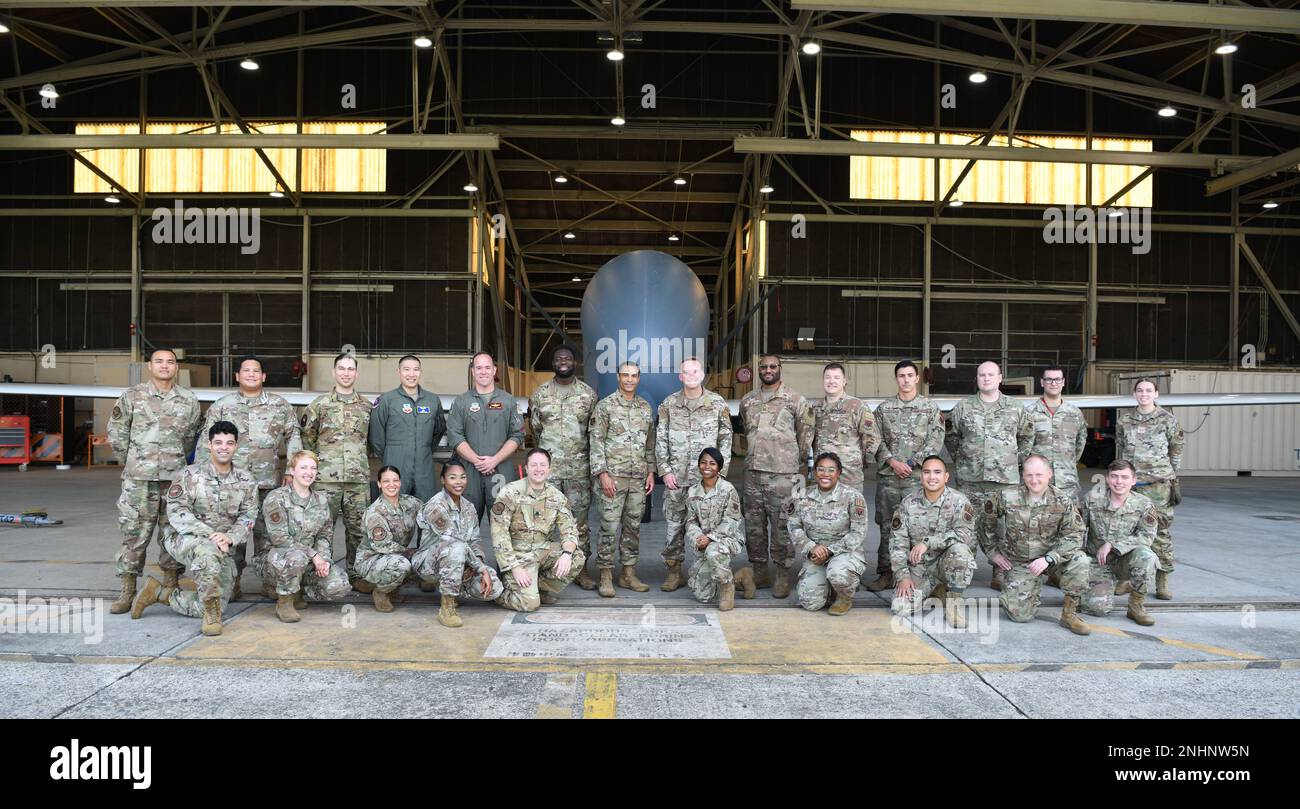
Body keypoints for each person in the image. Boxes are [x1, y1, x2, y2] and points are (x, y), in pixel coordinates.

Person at [130, 420, 258, 636]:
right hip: (183, 538)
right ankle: (211, 617)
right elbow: (178, 513)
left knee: (217, 601)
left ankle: (160, 593)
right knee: (208, 554)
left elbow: (248, 516)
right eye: (218, 442)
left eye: (229, 443)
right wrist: (212, 535)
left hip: (222, 544)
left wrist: (229, 538)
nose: (223, 447)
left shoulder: (246, 480)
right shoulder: (189, 475)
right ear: (209, 445)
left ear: (236, 446)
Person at [195, 353, 300, 599]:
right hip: (233, 487)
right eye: (246, 371)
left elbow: (293, 436)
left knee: (269, 538)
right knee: (233, 538)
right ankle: (233, 581)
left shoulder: (279, 405)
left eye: (256, 371)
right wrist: (206, 477)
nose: (251, 374)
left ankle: (270, 581)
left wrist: (291, 470)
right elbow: (205, 443)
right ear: (237, 376)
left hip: (268, 485)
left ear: (263, 376)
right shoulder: (222, 406)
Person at [107, 348, 202, 614]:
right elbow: (117, 433)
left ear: (176, 368)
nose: (165, 366)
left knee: (172, 532)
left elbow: (190, 438)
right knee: (134, 534)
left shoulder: (188, 400)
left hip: (174, 479)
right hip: (139, 479)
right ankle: (127, 590)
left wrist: (175, 462)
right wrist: (132, 462)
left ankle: (171, 584)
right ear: (149, 366)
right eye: (159, 361)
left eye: (170, 362)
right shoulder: (132, 396)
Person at [944, 361, 1034, 591]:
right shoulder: (963, 408)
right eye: (982, 375)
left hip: (1004, 481)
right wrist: (964, 460)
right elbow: (952, 437)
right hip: (970, 480)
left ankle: (1000, 572)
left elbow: (1026, 437)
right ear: (977, 379)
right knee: (966, 526)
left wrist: (1015, 461)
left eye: (990, 374)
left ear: (1000, 378)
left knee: (1003, 527)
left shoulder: (1016, 408)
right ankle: (963, 570)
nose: (986, 378)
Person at [982, 455, 1092, 635]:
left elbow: (1074, 535)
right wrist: (992, 552)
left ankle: (1069, 614)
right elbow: (985, 523)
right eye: (1029, 475)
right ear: (1022, 476)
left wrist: (1050, 558)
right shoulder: (1006, 497)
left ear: (1050, 474)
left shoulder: (1062, 501)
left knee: (1081, 560)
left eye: (1039, 475)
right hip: (1021, 562)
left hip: (1053, 559)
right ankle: (1030, 589)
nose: (1034, 480)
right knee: (1019, 616)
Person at [738, 353, 814, 598]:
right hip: (752, 474)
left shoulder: (795, 400)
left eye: (773, 366)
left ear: (780, 368)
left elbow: (805, 437)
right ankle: (759, 570)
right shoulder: (748, 400)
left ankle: (782, 573)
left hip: (783, 475)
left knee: (783, 525)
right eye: (764, 367)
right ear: (758, 370)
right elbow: (744, 430)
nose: (768, 370)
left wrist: (795, 465)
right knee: (754, 526)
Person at [656, 357, 733, 592]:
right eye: (686, 372)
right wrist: (665, 471)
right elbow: (661, 439)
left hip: (707, 480)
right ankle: (673, 571)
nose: (691, 375)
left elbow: (726, 439)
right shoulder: (668, 404)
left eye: (695, 371)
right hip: (677, 479)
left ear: (702, 374)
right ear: (680, 376)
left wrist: (720, 474)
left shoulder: (717, 403)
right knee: (674, 526)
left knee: (710, 526)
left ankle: (707, 569)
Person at [868, 360, 944, 592]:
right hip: (889, 478)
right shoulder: (884, 409)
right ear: (896, 379)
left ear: (917, 378)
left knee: (918, 527)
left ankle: (916, 573)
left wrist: (911, 463)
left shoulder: (930, 409)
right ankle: (885, 573)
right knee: (887, 527)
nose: (906, 380)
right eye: (901, 376)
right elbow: (875, 439)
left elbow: (935, 440)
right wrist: (893, 462)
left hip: (917, 479)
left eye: (910, 375)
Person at [300, 352, 372, 594]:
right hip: (325, 481)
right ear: (334, 372)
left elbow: (371, 440)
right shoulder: (319, 405)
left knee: (359, 531)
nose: (346, 372)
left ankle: (357, 574)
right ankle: (320, 574)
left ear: (357, 374)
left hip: (357, 480)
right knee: (321, 529)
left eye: (350, 369)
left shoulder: (366, 406)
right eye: (341, 368)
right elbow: (307, 439)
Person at [528, 346, 599, 590]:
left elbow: (594, 433)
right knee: (544, 521)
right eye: (559, 359)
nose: (563, 362)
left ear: (574, 363)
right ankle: (543, 570)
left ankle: (580, 569)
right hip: (549, 472)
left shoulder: (588, 395)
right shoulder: (540, 394)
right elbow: (537, 430)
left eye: (567, 358)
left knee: (579, 522)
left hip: (579, 470)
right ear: (553, 363)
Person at [259, 450, 353, 622]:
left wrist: (323, 560)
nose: (308, 473)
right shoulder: (276, 498)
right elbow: (280, 539)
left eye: (313, 468)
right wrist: (314, 555)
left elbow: (324, 535)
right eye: (303, 467)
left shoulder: (321, 501)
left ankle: (299, 590)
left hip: (307, 562)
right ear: (292, 470)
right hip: (277, 560)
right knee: (297, 557)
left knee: (339, 585)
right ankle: (284, 600)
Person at [588, 362, 656, 598]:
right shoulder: (605, 407)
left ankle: (628, 573)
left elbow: (650, 443)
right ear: (618, 377)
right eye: (625, 375)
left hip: (637, 478)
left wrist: (650, 471)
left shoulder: (645, 408)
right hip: (612, 478)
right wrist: (602, 474)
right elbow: (596, 443)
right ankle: (605, 575)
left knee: (633, 527)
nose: (629, 379)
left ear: (639, 378)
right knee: (608, 527)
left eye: (634, 375)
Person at [491, 448, 584, 612]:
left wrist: (567, 554)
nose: (538, 469)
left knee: (576, 557)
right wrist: (515, 567)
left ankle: (538, 589)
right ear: (526, 468)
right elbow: (499, 534)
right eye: (534, 465)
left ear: (549, 469)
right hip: (519, 555)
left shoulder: (557, 497)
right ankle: (498, 593)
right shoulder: (510, 492)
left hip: (542, 551)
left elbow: (569, 529)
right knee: (530, 604)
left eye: (543, 465)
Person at [1115, 377, 1184, 600]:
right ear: (1134, 394)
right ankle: (1126, 579)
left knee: (1160, 532)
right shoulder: (1124, 420)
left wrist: (1169, 475)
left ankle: (1162, 580)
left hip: (1158, 486)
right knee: (1126, 530)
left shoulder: (1167, 420)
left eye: (1148, 390)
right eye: (1139, 390)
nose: (1143, 394)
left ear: (1156, 394)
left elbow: (1176, 449)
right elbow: (1120, 449)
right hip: (1130, 486)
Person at [888, 456, 977, 628]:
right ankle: (935, 591)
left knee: (960, 550)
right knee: (900, 607)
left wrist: (928, 542)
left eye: (937, 472)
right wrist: (903, 576)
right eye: (927, 472)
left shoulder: (959, 501)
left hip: (946, 564)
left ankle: (953, 606)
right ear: (920, 477)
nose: (932, 477)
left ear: (946, 477)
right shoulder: (908, 503)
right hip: (919, 567)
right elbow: (897, 543)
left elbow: (965, 535)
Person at [414, 459, 504, 627]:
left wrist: (480, 566)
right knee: (456, 548)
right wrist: (480, 568)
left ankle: (458, 588)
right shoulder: (435, 506)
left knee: (494, 587)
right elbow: (453, 541)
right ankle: (447, 607)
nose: (458, 482)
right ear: (443, 480)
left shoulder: (468, 507)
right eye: (452, 477)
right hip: (429, 563)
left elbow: (475, 541)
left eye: (462, 477)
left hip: (462, 562)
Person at [1080, 460, 1160, 626]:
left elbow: (1147, 536)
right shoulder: (1092, 500)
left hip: (1125, 560)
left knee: (1147, 556)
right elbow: (1077, 531)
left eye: (1124, 477)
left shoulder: (1143, 504)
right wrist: (1079, 562)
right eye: (1114, 477)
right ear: (1107, 479)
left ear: (1133, 480)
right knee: (1097, 610)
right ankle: (1102, 586)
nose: (1119, 482)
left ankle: (1136, 605)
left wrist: (1113, 544)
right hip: (1098, 562)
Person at [447, 352, 525, 519]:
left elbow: (517, 435)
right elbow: (455, 435)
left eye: (487, 367)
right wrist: (477, 460)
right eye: (479, 368)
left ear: (494, 370)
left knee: (502, 523)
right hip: (468, 471)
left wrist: (495, 460)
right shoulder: (461, 402)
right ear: (473, 372)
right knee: (465, 523)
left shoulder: (508, 401)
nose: (483, 372)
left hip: (500, 470)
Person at [790, 452, 869, 615]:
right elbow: (793, 526)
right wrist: (811, 547)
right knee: (810, 603)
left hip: (844, 554)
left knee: (837, 574)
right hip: (815, 555)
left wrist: (830, 550)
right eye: (821, 469)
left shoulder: (853, 497)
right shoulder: (801, 495)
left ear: (839, 472)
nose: (825, 474)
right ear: (814, 472)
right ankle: (826, 589)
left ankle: (843, 596)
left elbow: (858, 533)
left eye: (831, 470)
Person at [368, 354, 447, 502]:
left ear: (420, 372)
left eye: (416, 369)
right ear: (398, 371)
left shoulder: (432, 400)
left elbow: (439, 429)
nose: (411, 374)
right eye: (407, 369)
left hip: (424, 468)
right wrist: (390, 456)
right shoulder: (387, 400)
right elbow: (376, 435)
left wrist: (425, 449)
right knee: (394, 508)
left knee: (426, 510)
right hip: (395, 465)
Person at [684, 447, 755, 610]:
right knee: (703, 595)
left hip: (727, 539)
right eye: (703, 463)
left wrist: (710, 538)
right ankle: (742, 576)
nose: (707, 466)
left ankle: (727, 586)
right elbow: (690, 521)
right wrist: (698, 538)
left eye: (712, 463)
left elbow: (732, 520)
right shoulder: (693, 491)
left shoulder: (727, 489)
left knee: (713, 552)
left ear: (719, 467)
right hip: (704, 542)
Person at [357, 465, 422, 613]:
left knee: (425, 558)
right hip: (371, 559)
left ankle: (392, 587)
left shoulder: (410, 503)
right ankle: (381, 591)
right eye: (386, 481)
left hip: (396, 556)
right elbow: (383, 546)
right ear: (379, 484)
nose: (391, 485)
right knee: (403, 565)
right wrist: (411, 552)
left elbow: (430, 514)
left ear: (400, 482)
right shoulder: (375, 512)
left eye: (395, 480)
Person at [810, 362, 880, 494]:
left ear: (844, 381)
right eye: (828, 377)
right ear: (823, 380)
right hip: (822, 476)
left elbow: (872, 438)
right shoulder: (815, 408)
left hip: (849, 475)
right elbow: (808, 438)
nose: (831, 381)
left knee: (850, 512)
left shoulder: (857, 406)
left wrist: (860, 462)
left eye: (836, 377)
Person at [1025, 365, 1087, 502]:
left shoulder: (1074, 413)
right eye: (1049, 379)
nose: (1053, 383)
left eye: (1057, 379)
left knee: (1067, 521)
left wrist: (1066, 464)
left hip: (1067, 483)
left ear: (1063, 382)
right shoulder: (1029, 413)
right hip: (1038, 483)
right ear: (1042, 382)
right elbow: (1022, 446)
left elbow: (1080, 443)